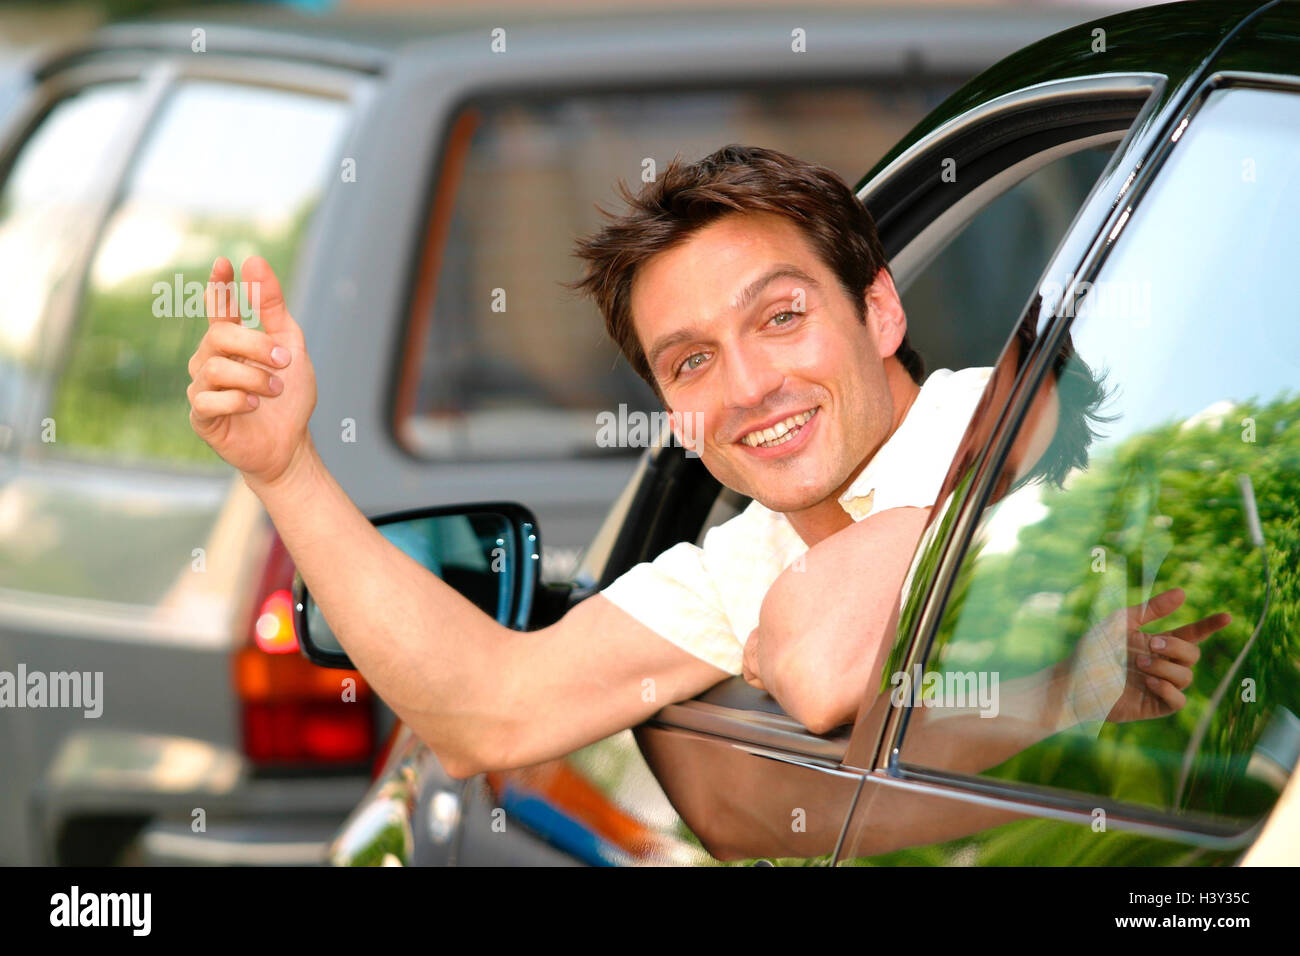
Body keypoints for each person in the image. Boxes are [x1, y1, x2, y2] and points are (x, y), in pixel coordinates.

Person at [185, 144, 1222, 786]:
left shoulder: (992, 420)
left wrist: (782, 633)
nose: (749, 385)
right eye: (691, 361)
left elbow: (819, 668)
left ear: (879, 310)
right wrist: (285, 472)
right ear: (673, 415)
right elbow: (485, 711)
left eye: (780, 317)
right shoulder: (750, 555)